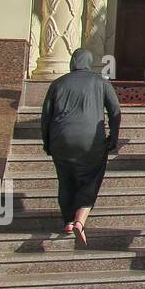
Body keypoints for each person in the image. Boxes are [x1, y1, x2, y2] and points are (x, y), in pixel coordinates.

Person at [40, 48, 121, 245]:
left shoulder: (57, 83)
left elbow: (46, 117)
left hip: (61, 139)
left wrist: (47, 142)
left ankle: (68, 220)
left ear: (72, 62)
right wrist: (113, 138)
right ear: (89, 62)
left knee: (65, 179)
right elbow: (115, 110)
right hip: (91, 140)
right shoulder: (101, 82)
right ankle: (79, 221)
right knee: (91, 177)